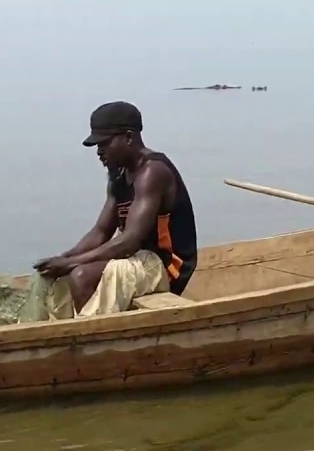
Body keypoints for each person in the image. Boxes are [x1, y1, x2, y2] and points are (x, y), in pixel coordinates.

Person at [34, 101, 197, 318]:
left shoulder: (152, 172)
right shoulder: (118, 174)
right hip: (136, 258)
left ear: (128, 137)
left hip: (166, 265)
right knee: (60, 278)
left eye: (104, 144)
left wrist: (72, 263)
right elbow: (101, 232)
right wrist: (63, 259)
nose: (99, 152)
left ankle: (92, 340)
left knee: (81, 275)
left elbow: (130, 240)